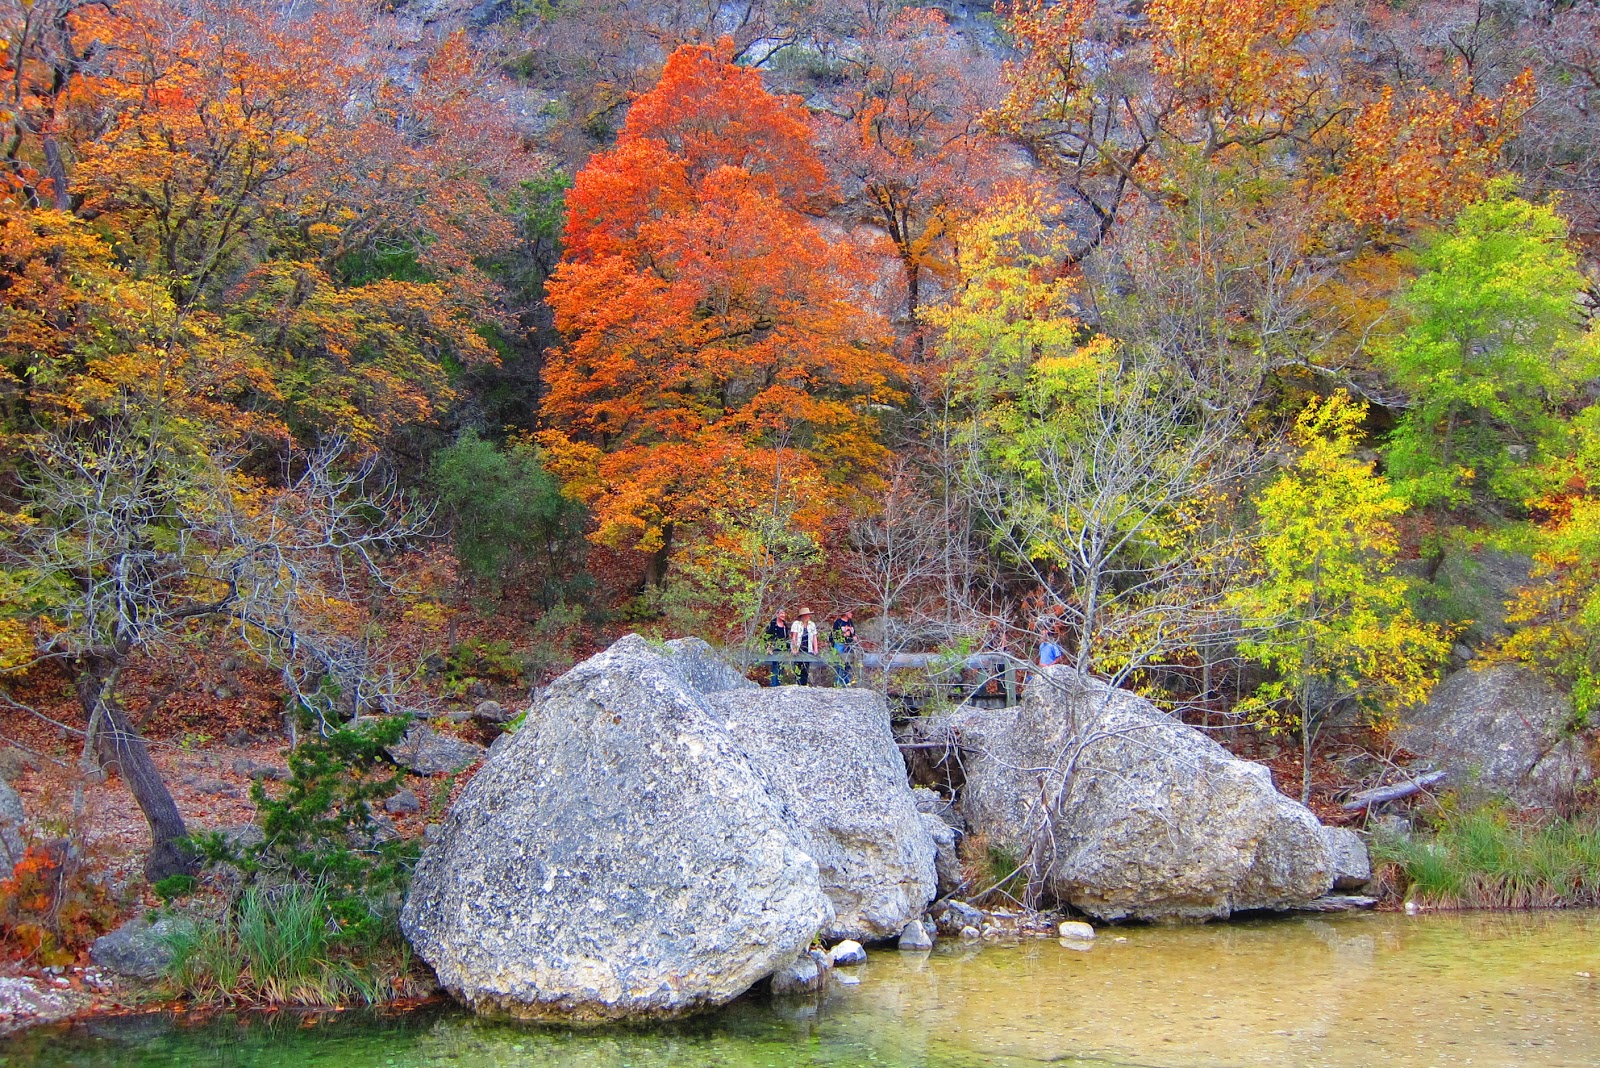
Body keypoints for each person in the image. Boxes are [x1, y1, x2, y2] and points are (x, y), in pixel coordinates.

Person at [790, 607, 820, 686]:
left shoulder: (812, 624)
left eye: (808, 615)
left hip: (808, 649)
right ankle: (798, 684)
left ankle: (804, 684)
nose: (808, 616)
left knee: (806, 668)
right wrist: (794, 649)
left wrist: (815, 649)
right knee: (798, 667)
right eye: (807, 615)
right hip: (799, 648)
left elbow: (814, 637)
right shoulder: (796, 624)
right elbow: (794, 637)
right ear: (802, 616)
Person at [831, 609, 857, 686]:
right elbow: (834, 636)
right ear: (846, 613)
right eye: (851, 612)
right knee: (839, 664)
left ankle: (847, 682)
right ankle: (838, 683)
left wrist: (854, 637)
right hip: (840, 644)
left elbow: (853, 633)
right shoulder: (838, 622)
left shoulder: (850, 622)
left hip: (849, 645)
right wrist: (844, 635)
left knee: (848, 664)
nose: (852, 614)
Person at [764, 609, 790, 686]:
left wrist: (788, 648)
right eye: (781, 613)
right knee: (775, 666)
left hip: (783, 648)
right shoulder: (772, 624)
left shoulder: (784, 625)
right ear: (777, 614)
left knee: (781, 667)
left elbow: (786, 637)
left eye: (784, 613)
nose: (783, 615)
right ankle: (774, 685)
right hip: (774, 648)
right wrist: (768, 647)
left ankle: (779, 684)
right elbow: (767, 636)